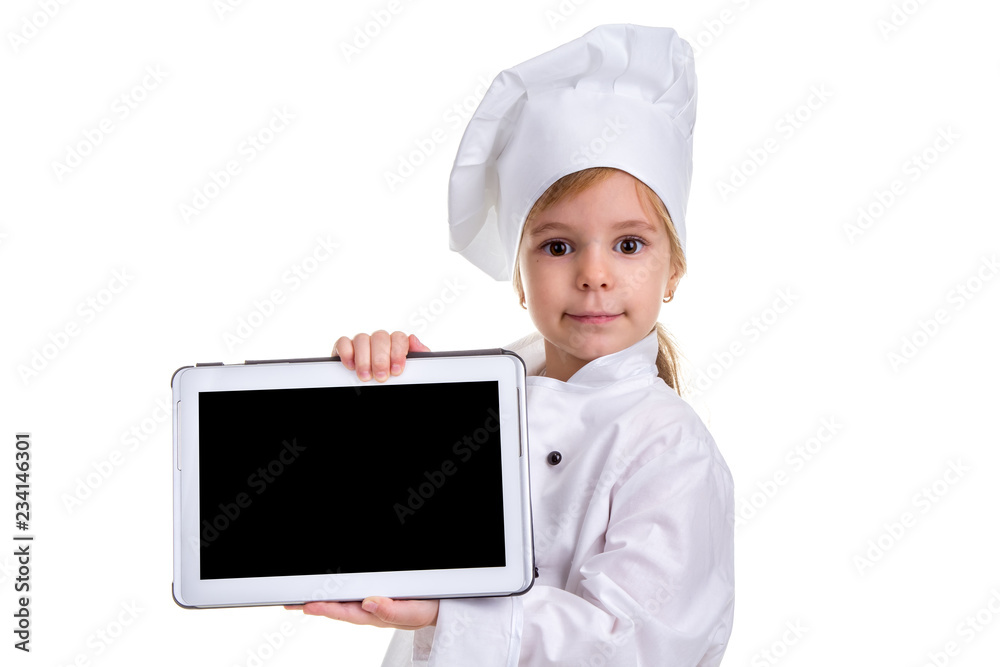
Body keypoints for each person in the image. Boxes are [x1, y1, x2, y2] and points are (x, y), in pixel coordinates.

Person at [284, 24, 735, 666]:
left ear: (675, 270)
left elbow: (641, 644)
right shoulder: (470, 409)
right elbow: (371, 521)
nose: (594, 273)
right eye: (557, 246)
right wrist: (379, 393)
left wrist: (451, 614)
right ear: (519, 278)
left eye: (629, 244)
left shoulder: (671, 449)